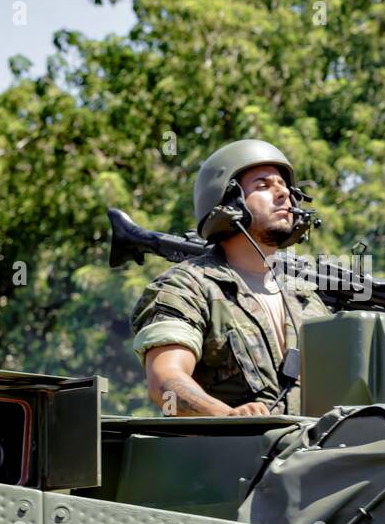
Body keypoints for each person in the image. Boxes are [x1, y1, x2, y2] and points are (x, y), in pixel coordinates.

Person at [130, 139, 331, 416]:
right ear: (229, 202)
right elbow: (164, 386)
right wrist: (227, 417)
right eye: (263, 185)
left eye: (284, 186)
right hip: (226, 453)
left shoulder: (307, 299)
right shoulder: (188, 287)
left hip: (308, 452)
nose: (283, 194)